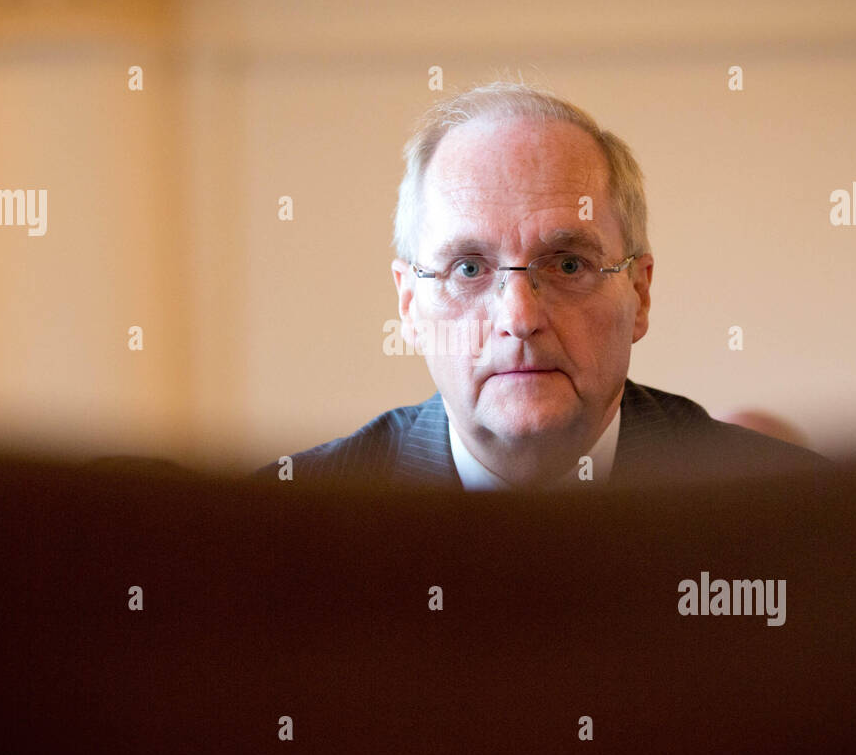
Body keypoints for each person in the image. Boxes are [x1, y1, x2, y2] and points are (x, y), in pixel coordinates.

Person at [259, 82, 826, 489]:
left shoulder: (790, 504)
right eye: (470, 269)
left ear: (640, 292)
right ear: (409, 305)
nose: (519, 317)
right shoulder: (288, 524)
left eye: (568, 265)